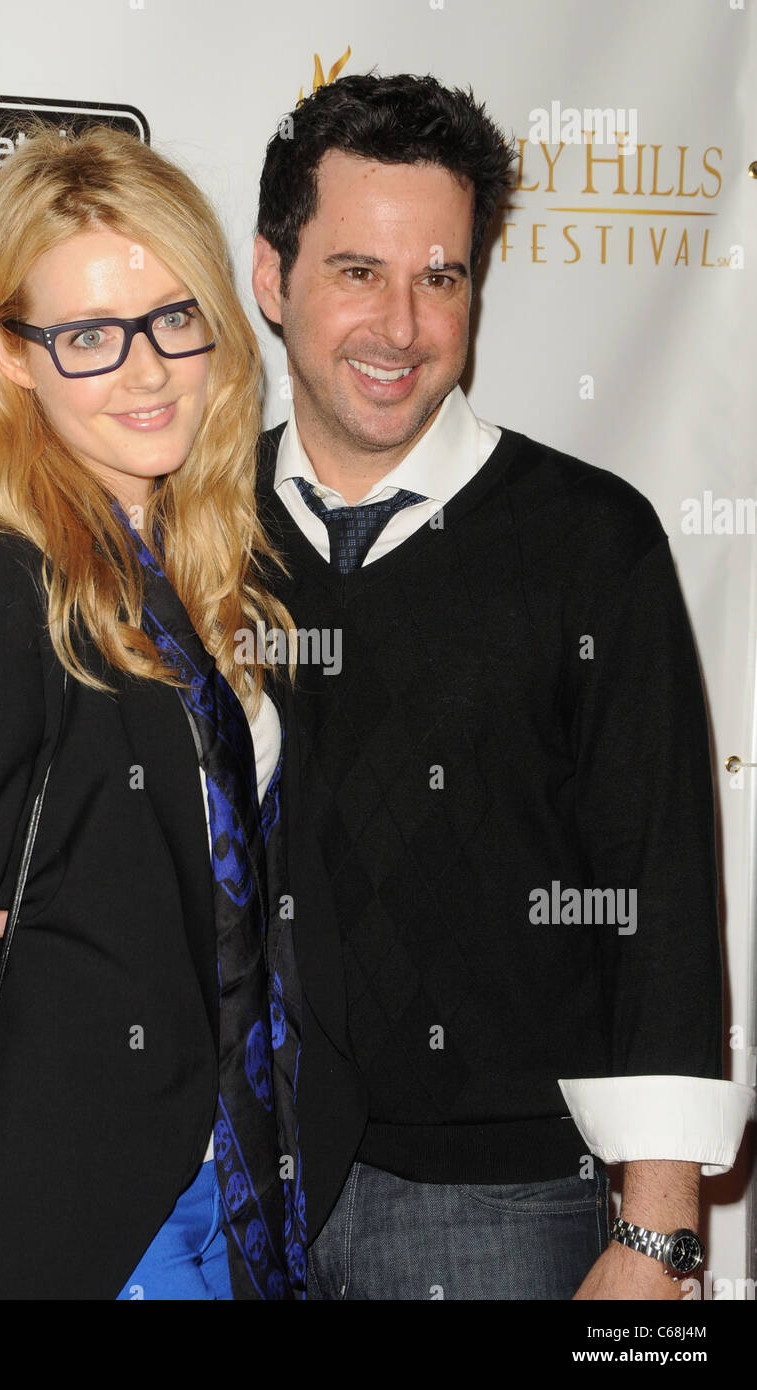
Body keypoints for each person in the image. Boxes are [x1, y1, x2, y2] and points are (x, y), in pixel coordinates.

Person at [0, 118, 365, 1301]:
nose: (144, 368)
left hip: (256, 1196)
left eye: (174, 318)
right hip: (103, 1230)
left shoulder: (210, 564)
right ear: (9, 355)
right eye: (87, 335)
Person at [244, 73, 753, 1299]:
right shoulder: (201, 530)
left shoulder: (589, 539)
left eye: (442, 276)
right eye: (358, 270)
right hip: (236, 1191)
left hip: (506, 1213)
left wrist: (658, 1239)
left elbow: (656, 893)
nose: (401, 325)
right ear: (273, 278)